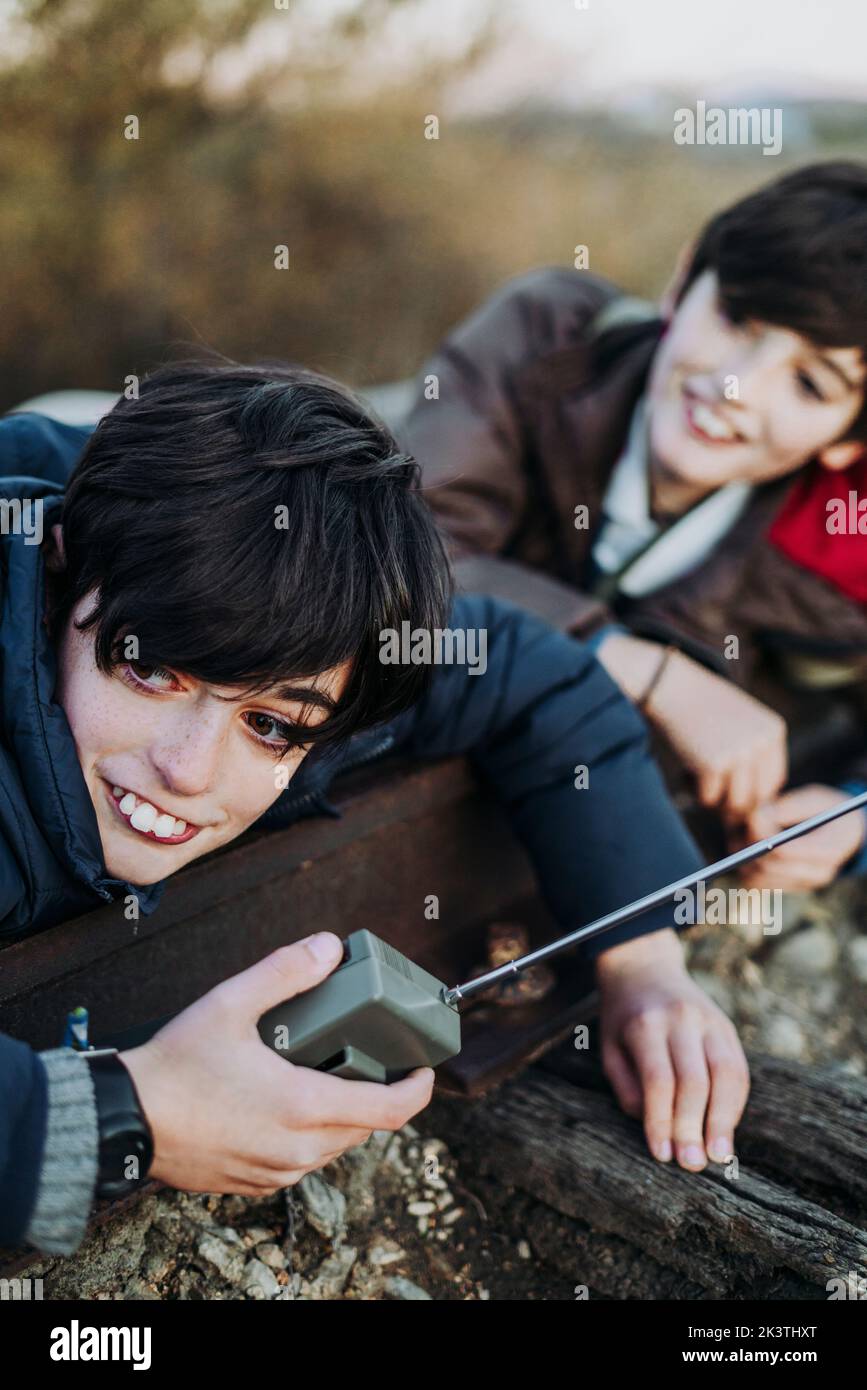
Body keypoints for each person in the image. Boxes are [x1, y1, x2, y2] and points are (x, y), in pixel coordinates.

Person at [0, 363, 747, 1258]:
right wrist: (129, 1112)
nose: (188, 771)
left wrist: (643, 959)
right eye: (150, 670)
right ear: (59, 564)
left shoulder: (329, 655)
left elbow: (526, 671)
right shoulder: (159, 556)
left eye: (269, 726)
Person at [401, 160, 867, 892]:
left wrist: (854, 814)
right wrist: (649, 672)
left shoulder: (824, 553)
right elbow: (402, 549)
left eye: (809, 383)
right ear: (681, 283)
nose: (735, 389)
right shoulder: (547, 331)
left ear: (847, 438)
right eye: (736, 321)